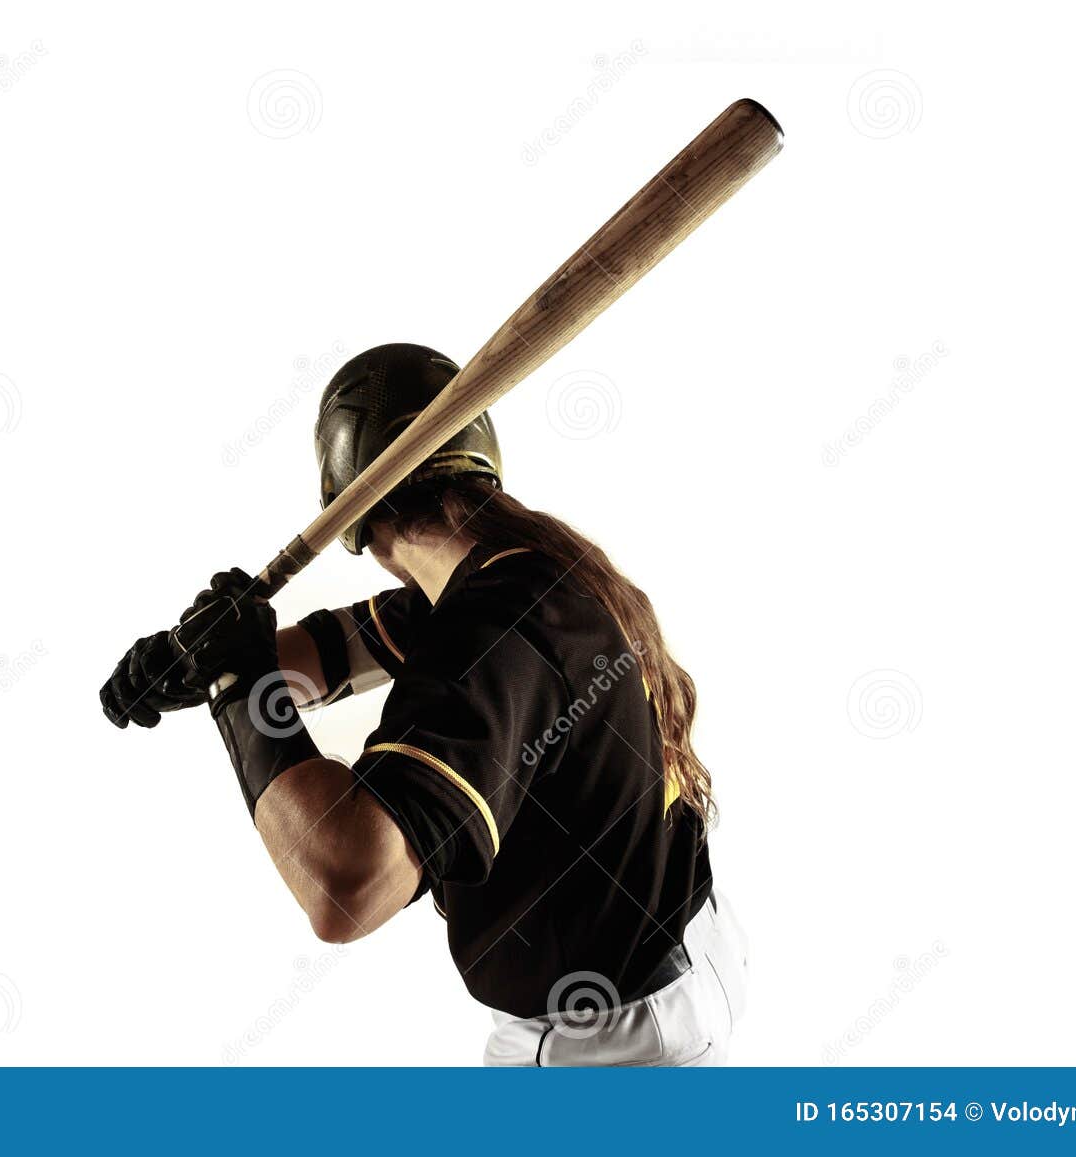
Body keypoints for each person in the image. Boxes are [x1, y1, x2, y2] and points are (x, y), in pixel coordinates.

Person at [100, 343, 746, 1065]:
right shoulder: (526, 571)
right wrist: (198, 661)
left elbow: (345, 886)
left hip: (613, 1046)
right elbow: (339, 651)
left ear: (358, 519)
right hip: (673, 960)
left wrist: (236, 688)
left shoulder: (497, 629)